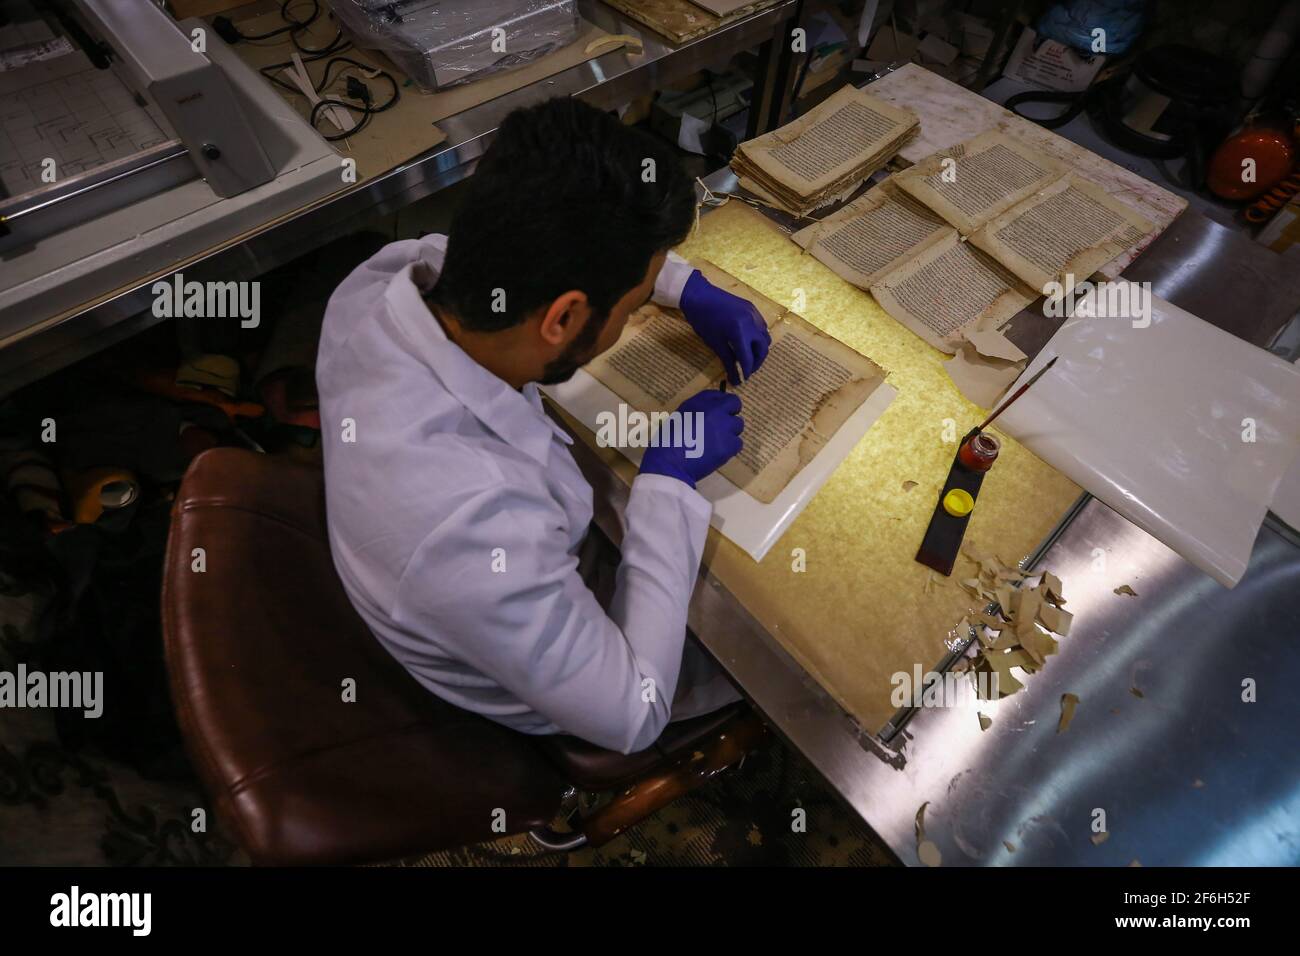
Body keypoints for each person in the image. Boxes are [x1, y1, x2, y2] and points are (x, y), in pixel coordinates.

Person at [316, 97, 771, 754]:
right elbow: (632, 715)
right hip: (538, 678)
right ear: (561, 319)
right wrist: (667, 482)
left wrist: (683, 285)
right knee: (773, 653)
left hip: (455, 585)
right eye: (635, 304)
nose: (638, 310)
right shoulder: (472, 526)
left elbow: (552, 238)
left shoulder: (383, 282)